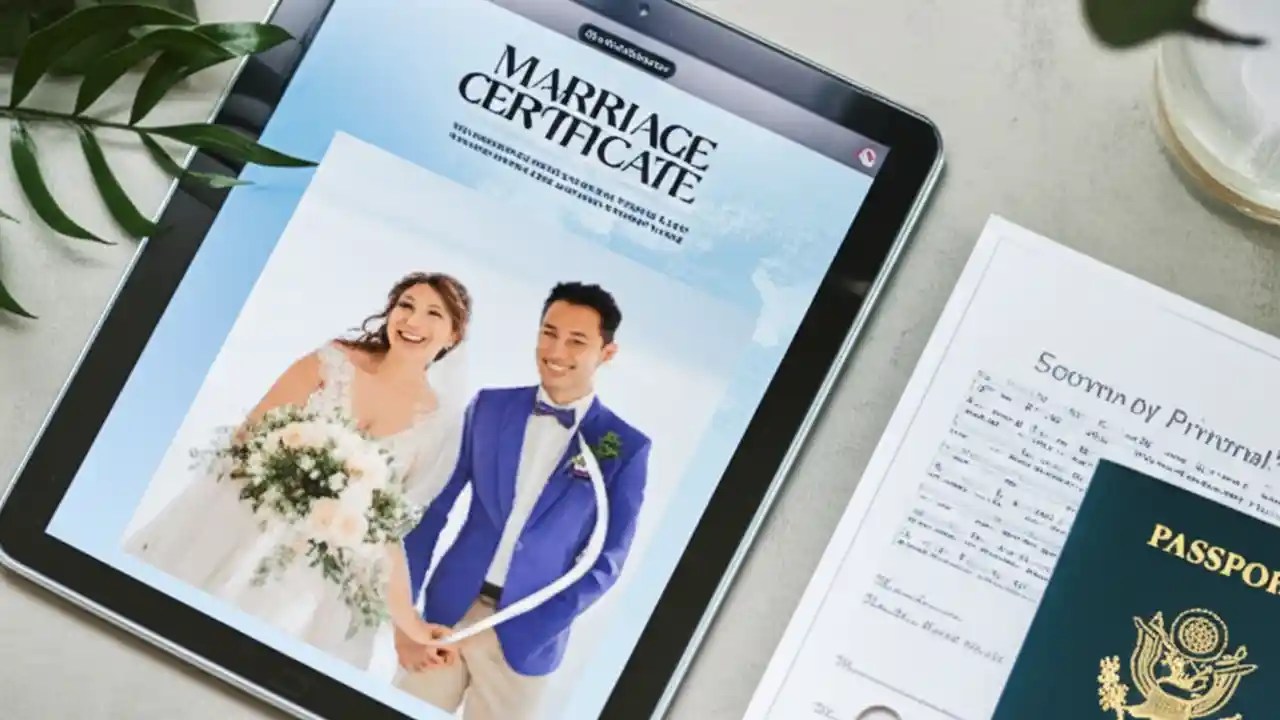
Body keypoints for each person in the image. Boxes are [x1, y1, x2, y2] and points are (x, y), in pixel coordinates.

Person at [122, 271, 473, 670]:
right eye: (405, 305)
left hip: (310, 580)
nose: (413, 321)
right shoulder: (333, 362)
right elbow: (247, 437)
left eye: (434, 314)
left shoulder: (438, 425)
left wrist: (412, 625)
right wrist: (288, 482)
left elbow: (385, 532)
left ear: (452, 337)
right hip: (240, 526)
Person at [391, 281, 652, 719]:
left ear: (606, 353)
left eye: (576, 341)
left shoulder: (623, 446)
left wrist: (541, 625)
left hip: (527, 641)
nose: (556, 349)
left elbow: (607, 560)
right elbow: (433, 508)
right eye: (548, 332)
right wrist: (407, 616)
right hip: (445, 615)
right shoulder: (490, 407)